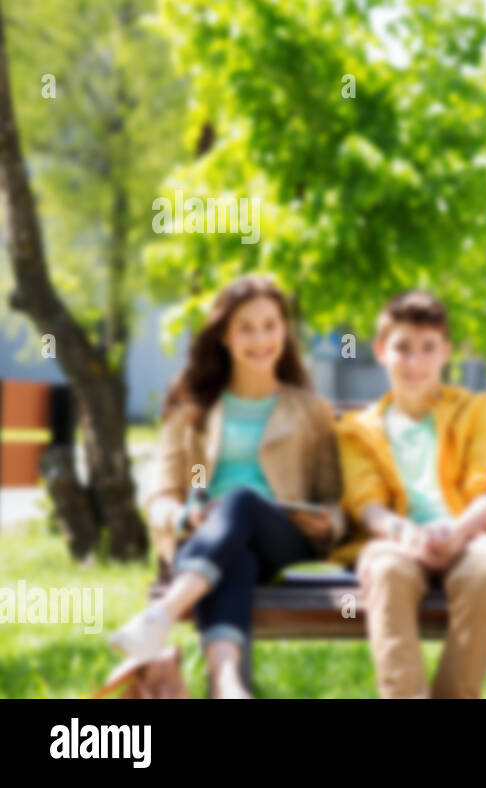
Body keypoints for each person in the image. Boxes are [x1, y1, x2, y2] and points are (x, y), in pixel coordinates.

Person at [109, 275, 346, 699]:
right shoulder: (192, 410)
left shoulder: (310, 411)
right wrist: (188, 513)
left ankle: (161, 616)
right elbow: (162, 494)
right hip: (211, 541)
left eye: (270, 325)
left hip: (282, 537)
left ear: (285, 331)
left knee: (239, 501)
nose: (261, 338)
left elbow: (336, 500)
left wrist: (325, 520)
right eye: (246, 328)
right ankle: (227, 684)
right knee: (234, 554)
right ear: (224, 336)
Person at [336, 290, 486, 699]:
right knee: (385, 571)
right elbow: (365, 503)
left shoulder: (480, 410)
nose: (415, 362)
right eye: (403, 348)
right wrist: (407, 535)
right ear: (382, 351)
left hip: (471, 534)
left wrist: (457, 533)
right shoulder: (357, 430)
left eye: (428, 349)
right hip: (395, 541)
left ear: (446, 353)